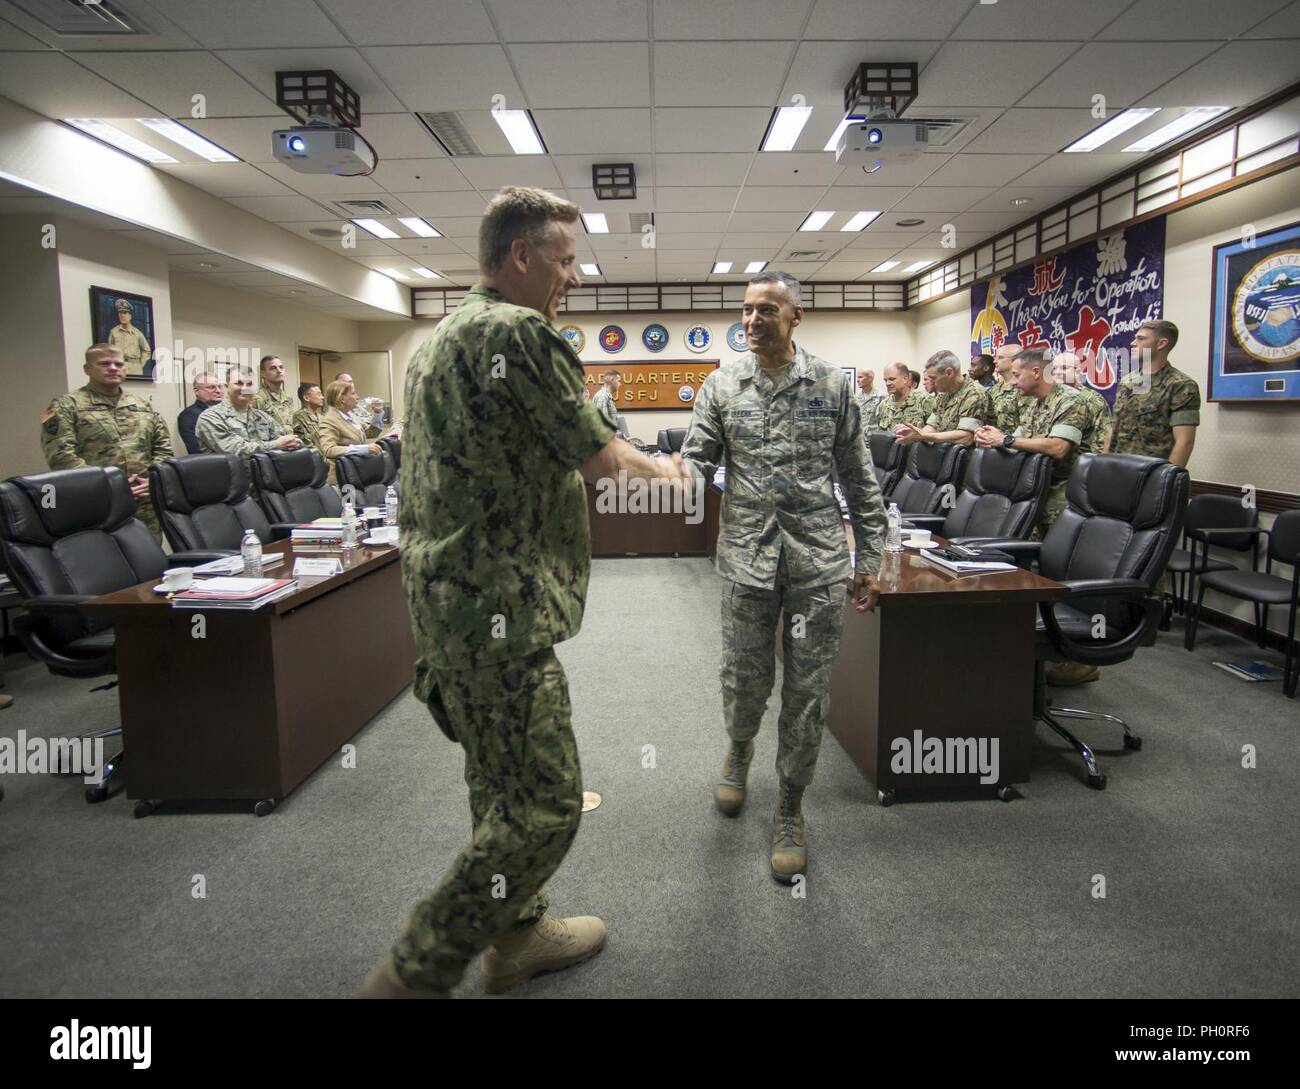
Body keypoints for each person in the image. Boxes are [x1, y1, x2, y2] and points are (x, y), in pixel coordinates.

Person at [359, 185, 690, 1000]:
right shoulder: (517, 331)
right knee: (544, 804)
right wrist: (673, 476)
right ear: (520, 256)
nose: (574, 276)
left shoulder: (443, 338)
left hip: (448, 604)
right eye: (566, 258)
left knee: (497, 780)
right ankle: (414, 971)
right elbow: (607, 465)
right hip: (496, 610)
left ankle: (517, 933)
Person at [680, 270, 886, 884]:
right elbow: (697, 459)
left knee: (807, 691)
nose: (751, 321)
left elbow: (859, 476)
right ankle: (739, 749)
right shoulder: (721, 385)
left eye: (766, 309)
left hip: (817, 562)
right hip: (746, 558)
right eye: (745, 310)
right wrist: (671, 477)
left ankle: (792, 805)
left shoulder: (831, 385)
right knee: (744, 679)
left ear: (798, 315)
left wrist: (870, 559)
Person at [41, 344, 173, 537]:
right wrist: (109, 483)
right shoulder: (66, 406)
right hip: (97, 502)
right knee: (105, 561)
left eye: (119, 364)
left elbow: (163, 448)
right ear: (88, 369)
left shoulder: (142, 405)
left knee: (150, 559)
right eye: (105, 363)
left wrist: (154, 478)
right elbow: (61, 456)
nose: (113, 368)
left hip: (144, 503)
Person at [975, 347, 1089, 537]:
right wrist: (991, 437)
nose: (1013, 382)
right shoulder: (1035, 403)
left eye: (1017, 375)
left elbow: (1058, 447)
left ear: (1036, 372)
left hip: (1063, 496)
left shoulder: (1071, 400)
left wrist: (1005, 440)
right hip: (1033, 489)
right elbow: (1016, 441)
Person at [1108, 319, 1200, 467]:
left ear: (1161, 344)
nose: (1132, 343)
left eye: (1141, 338)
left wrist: (1165, 480)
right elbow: (1113, 430)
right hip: (1118, 469)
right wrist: (1103, 465)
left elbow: (1184, 442)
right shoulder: (1127, 382)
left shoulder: (1181, 385)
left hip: (1151, 473)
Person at [195, 367, 301, 470]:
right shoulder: (211, 417)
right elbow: (236, 451)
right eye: (239, 383)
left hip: (267, 482)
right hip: (232, 484)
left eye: (249, 384)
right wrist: (276, 445)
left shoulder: (262, 417)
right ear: (227, 386)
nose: (245, 388)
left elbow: (287, 440)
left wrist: (294, 442)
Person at [895, 349, 991, 449]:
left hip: (968, 460)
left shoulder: (974, 393)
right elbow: (932, 426)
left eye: (933, 378)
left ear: (949, 373)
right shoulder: (942, 394)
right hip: (945, 456)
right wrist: (915, 433)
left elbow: (966, 437)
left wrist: (924, 436)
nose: (931, 382)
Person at [317, 380, 381, 486]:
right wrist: (363, 449)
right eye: (353, 393)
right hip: (341, 479)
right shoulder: (330, 420)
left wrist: (378, 413)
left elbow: (372, 432)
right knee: (349, 502)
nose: (357, 397)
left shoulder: (351, 416)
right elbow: (329, 450)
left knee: (360, 502)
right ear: (341, 398)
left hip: (356, 472)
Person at [1051, 352, 1112, 454]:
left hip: (1079, 462)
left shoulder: (1092, 399)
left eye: (1064, 368)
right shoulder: (1048, 397)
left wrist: (1098, 465)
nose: (1058, 372)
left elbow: (1102, 437)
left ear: (1077, 371)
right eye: (1054, 368)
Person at [177, 371, 224, 455]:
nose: (218, 391)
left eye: (220, 387)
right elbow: (196, 449)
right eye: (212, 387)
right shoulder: (189, 416)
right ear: (197, 391)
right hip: (213, 464)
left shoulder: (227, 411)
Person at [989, 343, 1032, 433]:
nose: (994, 361)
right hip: (992, 442)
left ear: (1015, 360)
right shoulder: (995, 389)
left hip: (1015, 443)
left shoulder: (1025, 388)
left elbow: (1027, 424)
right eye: (995, 358)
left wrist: (1005, 441)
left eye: (1000, 358)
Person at [874, 362, 928, 430]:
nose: (887, 383)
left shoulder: (924, 400)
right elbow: (880, 434)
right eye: (885, 380)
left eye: (892, 379)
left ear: (905, 379)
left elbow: (935, 431)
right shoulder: (883, 405)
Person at [106, 298, 151, 377]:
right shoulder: (114, 332)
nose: (122, 315)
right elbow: (110, 351)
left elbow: (147, 350)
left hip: (135, 368)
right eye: (120, 313)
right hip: (119, 367)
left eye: (125, 313)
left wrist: (140, 364)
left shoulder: (137, 333)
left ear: (130, 316)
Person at [253, 355, 296, 434]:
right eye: (273, 368)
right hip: (271, 444)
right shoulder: (257, 398)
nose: (279, 371)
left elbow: (290, 425)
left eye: (281, 367)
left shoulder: (288, 398)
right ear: (263, 374)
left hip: (289, 443)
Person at [291, 382, 325, 450]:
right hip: (314, 458)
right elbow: (305, 444)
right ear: (306, 397)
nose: (322, 397)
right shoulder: (298, 417)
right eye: (319, 394)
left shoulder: (322, 417)